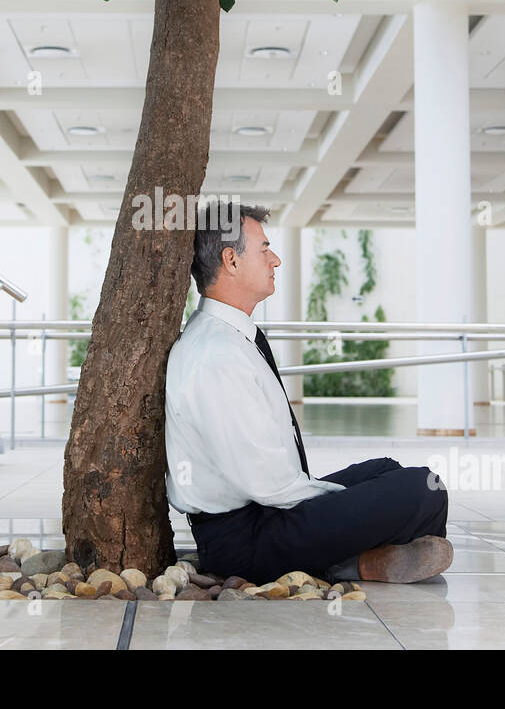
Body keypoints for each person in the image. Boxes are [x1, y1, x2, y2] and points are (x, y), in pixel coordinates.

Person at [164, 201, 453, 585]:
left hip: (263, 515)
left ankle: (356, 555)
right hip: (245, 540)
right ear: (231, 261)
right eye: (265, 249)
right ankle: (351, 564)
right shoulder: (215, 354)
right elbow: (269, 485)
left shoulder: (228, 336)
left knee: (387, 471)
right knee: (423, 490)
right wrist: (343, 504)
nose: (276, 260)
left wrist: (354, 501)